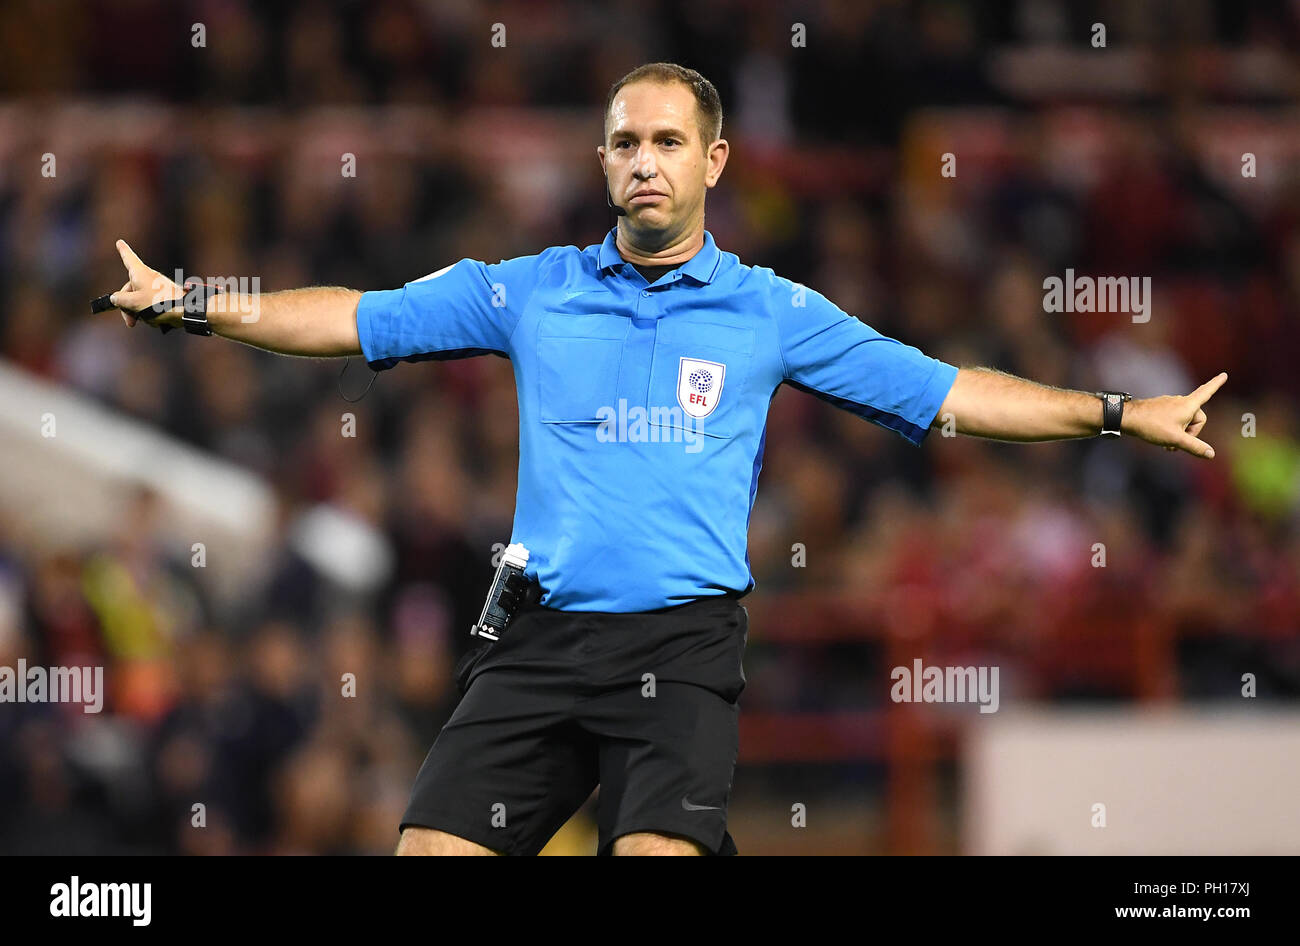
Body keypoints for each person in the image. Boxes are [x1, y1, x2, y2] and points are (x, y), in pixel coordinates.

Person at [105, 62, 1227, 856]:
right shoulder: (529, 289)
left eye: (669, 142)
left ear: (715, 161)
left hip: (680, 646)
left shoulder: (771, 311)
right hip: (536, 639)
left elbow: (946, 393)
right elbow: (351, 316)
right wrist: (195, 303)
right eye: (627, 142)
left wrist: (1118, 412)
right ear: (602, 161)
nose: (646, 161)